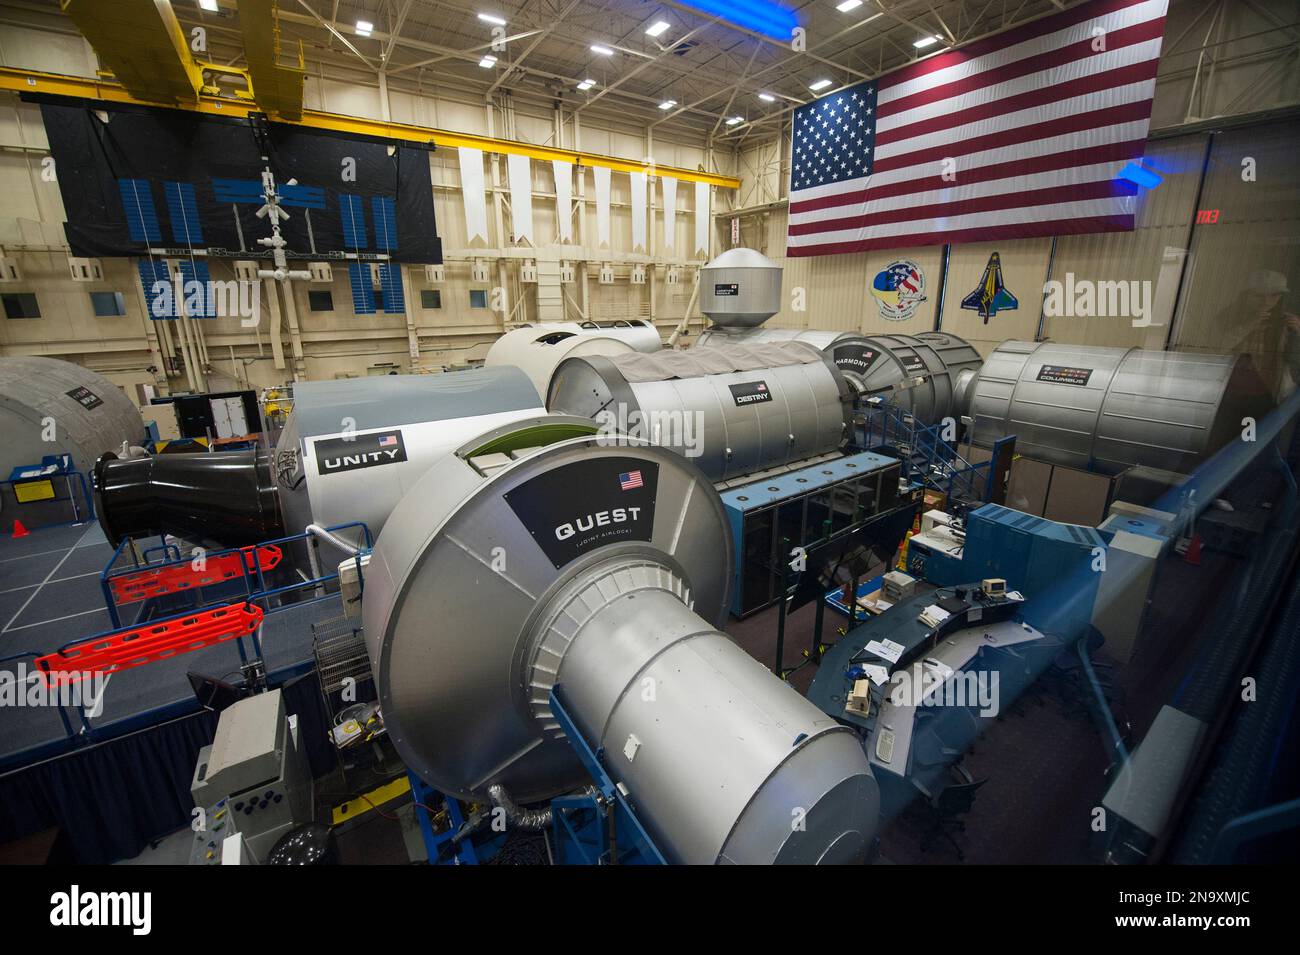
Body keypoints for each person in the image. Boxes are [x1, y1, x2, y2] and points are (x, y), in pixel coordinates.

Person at [1226, 269, 1300, 404]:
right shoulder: (1231, 316)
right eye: (1259, 295)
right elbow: (1220, 347)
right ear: (1247, 295)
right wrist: (1250, 323)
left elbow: (1294, 361)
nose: (1266, 300)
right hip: (1232, 391)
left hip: (1267, 394)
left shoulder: (1287, 322)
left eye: (1274, 295)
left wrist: (1297, 334)